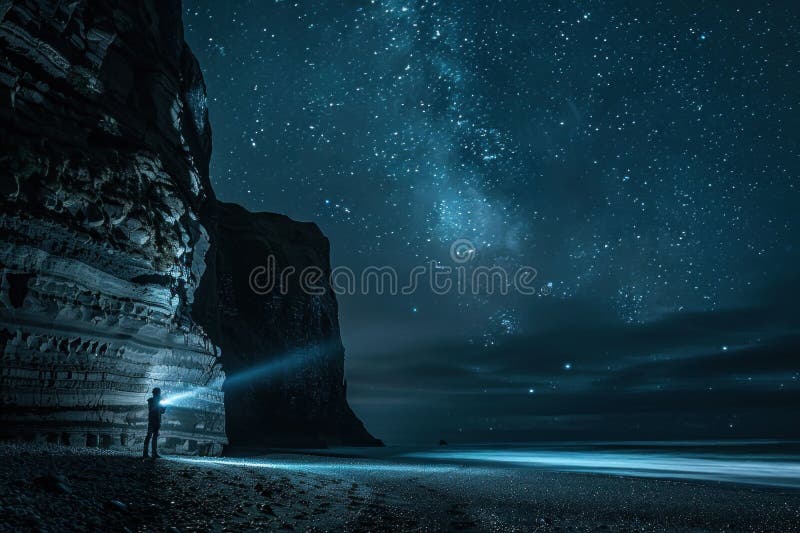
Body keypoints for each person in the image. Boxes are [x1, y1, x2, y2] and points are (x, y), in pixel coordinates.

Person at [143, 387, 166, 458]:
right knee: (150, 436)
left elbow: (162, 411)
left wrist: (164, 407)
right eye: (158, 393)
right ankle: (146, 453)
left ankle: (153, 453)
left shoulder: (155, 400)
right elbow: (152, 409)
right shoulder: (151, 401)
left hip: (156, 420)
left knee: (154, 436)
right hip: (153, 420)